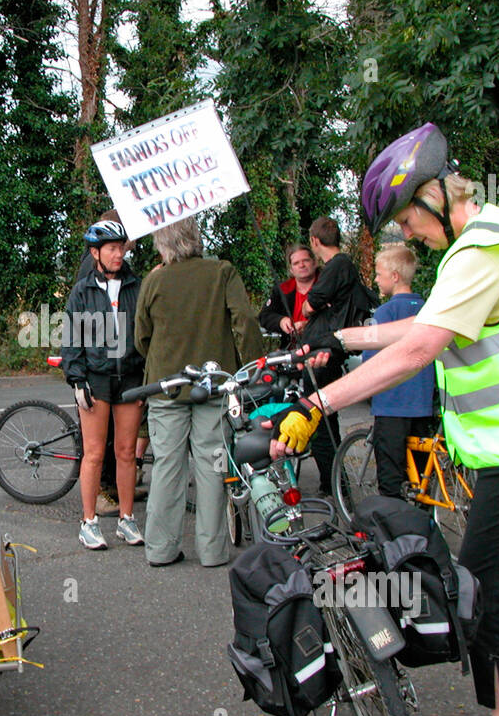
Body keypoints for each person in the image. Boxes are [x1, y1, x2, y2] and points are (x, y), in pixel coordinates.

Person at [269, 123, 499, 716]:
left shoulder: (478, 253)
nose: (408, 235)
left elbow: (420, 351)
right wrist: (340, 338)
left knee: (486, 587)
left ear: (429, 198)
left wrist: (319, 404)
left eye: (406, 220)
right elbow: (420, 329)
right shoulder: (498, 234)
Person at [134, 217, 262, 568]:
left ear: (163, 245)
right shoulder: (222, 272)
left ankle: (160, 548)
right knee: (212, 466)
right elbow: (245, 322)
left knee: (166, 468)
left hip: (167, 386)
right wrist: (249, 367)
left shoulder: (154, 280)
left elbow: (141, 337)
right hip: (213, 384)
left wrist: (160, 359)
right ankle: (212, 551)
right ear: (196, 238)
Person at [61, 220, 146, 550]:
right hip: (96, 378)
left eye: (121, 247)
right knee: (95, 453)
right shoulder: (83, 291)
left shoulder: (136, 286)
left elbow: (147, 332)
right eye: (111, 248)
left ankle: (127, 519)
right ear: (95, 252)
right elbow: (71, 339)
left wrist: (147, 372)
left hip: (130, 377)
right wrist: (76, 378)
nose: (118, 253)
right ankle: (89, 521)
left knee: (126, 453)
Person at [296, 217, 371, 493]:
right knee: (325, 417)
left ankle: (333, 483)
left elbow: (309, 306)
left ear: (315, 241)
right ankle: (334, 481)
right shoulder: (343, 267)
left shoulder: (337, 265)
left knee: (319, 416)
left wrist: (311, 307)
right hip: (327, 346)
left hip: (323, 353)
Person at [362, 243, 437, 498]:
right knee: (421, 478)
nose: (376, 279)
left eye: (379, 274)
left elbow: (370, 360)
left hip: (391, 406)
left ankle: (395, 531)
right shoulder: (429, 310)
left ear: (394, 277)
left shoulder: (384, 313)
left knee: (391, 479)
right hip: (422, 405)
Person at [259, 242, 319, 350]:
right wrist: (281, 321)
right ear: (291, 269)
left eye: (306, 260)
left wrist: (308, 326)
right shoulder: (283, 289)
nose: (301, 265)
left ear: (314, 263)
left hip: (321, 348)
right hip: (290, 351)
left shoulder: (326, 286)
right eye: (296, 263)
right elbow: (264, 316)